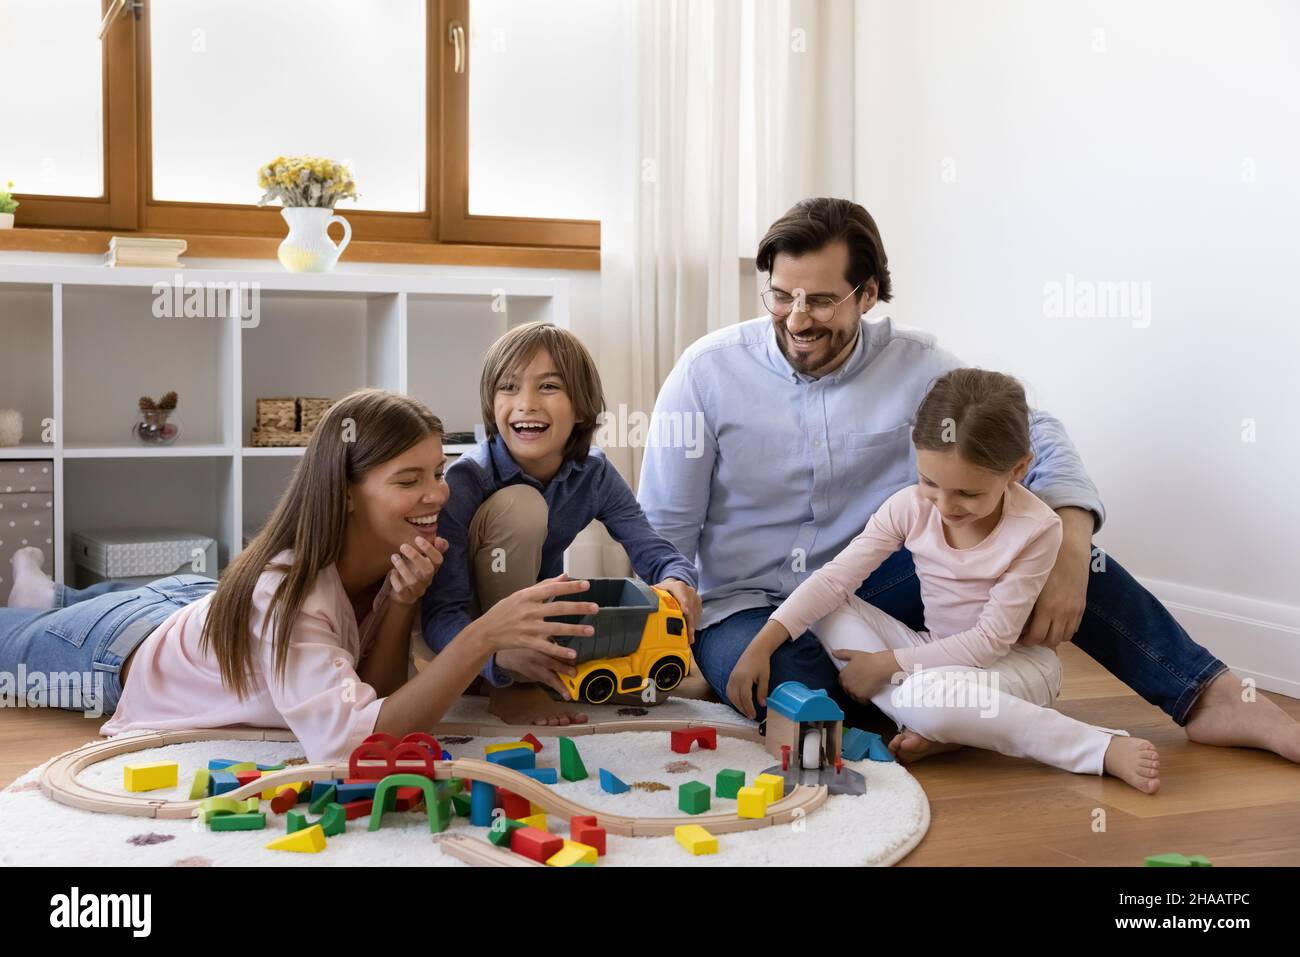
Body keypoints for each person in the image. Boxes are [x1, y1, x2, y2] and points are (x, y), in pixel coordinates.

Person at [639, 196, 1300, 765]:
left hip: (875, 584)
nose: (797, 317)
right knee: (798, 696)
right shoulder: (707, 374)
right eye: (782, 295)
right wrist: (673, 615)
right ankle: (939, 719)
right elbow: (663, 533)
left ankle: (1209, 696)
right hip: (747, 604)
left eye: (821, 299)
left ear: (867, 294)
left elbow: (1035, 438)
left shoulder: (917, 366)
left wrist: (1069, 546)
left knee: (1056, 550)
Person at [0, 389, 599, 763]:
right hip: (117, 646)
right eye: (408, 479)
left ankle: (48, 591)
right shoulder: (289, 595)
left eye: (437, 471)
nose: (438, 493)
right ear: (344, 493)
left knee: (65, 602)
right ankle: (42, 603)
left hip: (198, 603)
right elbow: (354, 744)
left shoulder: (390, 560)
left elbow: (375, 695)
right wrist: (483, 636)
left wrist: (397, 605)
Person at [732, 368, 1160, 790]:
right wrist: (763, 642)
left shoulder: (1037, 527)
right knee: (830, 608)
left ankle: (1095, 747)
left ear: (1018, 469)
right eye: (929, 482)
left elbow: (990, 641)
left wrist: (885, 666)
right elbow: (835, 579)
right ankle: (946, 727)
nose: (945, 505)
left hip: (1010, 667)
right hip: (931, 655)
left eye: (968, 494)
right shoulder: (909, 506)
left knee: (925, 696)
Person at [420, 322, 701, 726]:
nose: (526, 403)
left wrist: (678, 578)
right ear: (491, 403)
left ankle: (525, 664)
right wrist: (496, 659)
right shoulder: (468, 479)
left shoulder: (594, 472)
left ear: (582, 407)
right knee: (522, 505)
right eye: (509, 387)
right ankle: (508, 687)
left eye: (548, 386)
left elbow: (649, 546)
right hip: (461, 637)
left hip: (529, 619)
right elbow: (440, 611)